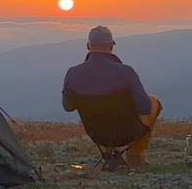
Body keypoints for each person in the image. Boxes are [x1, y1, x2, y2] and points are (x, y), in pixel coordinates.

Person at [62, 25, 163, 166]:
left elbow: (68, 107)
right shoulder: (126, 73)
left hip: (97, 135)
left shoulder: (73, 74)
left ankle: (109, 155)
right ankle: (135, 156)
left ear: (88, 46)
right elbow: (145, 108)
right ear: (111, 46)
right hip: (128, 133)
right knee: (153, 101)